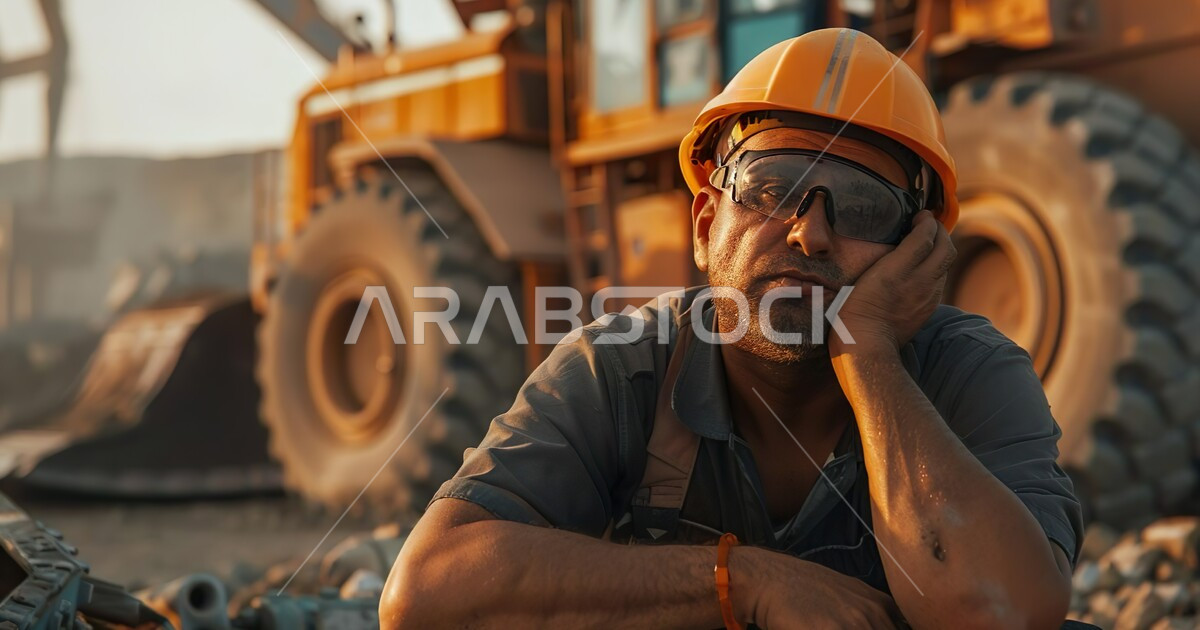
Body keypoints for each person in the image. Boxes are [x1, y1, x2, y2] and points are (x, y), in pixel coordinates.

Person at [381, 28, 1083, 629]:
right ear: (707, 223)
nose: (810, 233)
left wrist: (867, 355)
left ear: (916, 253)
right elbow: (425, 593)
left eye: (864, 208)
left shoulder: (969, 374)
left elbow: (1005, 614)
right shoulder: (625, 370)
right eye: (773, 186)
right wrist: (739, 580)